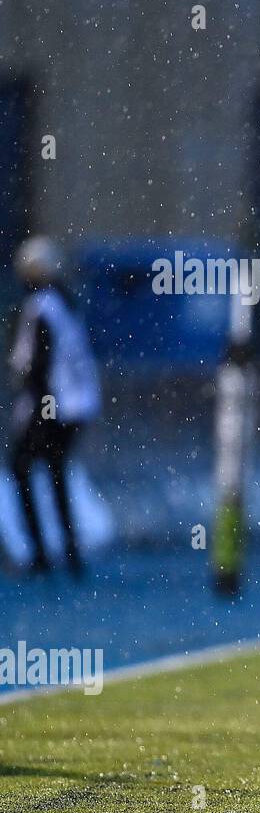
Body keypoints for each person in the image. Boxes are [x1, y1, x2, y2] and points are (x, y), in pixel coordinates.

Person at [7, 235, 101, 575]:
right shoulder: (64, 301)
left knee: (22, 466)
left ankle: (41, 553)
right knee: (55, 470)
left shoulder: (40, 307)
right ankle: (69, 551)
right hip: (77, 403)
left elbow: (36, 366)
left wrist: (40, 411)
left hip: (54, 403)